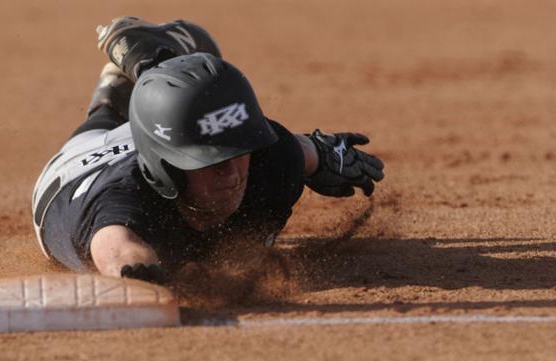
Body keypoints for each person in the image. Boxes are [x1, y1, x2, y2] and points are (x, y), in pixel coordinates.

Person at [32, 17, 384, 283]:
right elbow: (115, 246)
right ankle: (113, 94)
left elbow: (302, 150)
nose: (232, 175)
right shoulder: (122, 206)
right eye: (210, 162)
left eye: (239, 152)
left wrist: (325, 155)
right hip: (80, 167)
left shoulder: (271, 160)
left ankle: (154, 64)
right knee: (105, 119)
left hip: (175, 133)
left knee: (193, 110)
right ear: (167, 169)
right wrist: (141, 277)